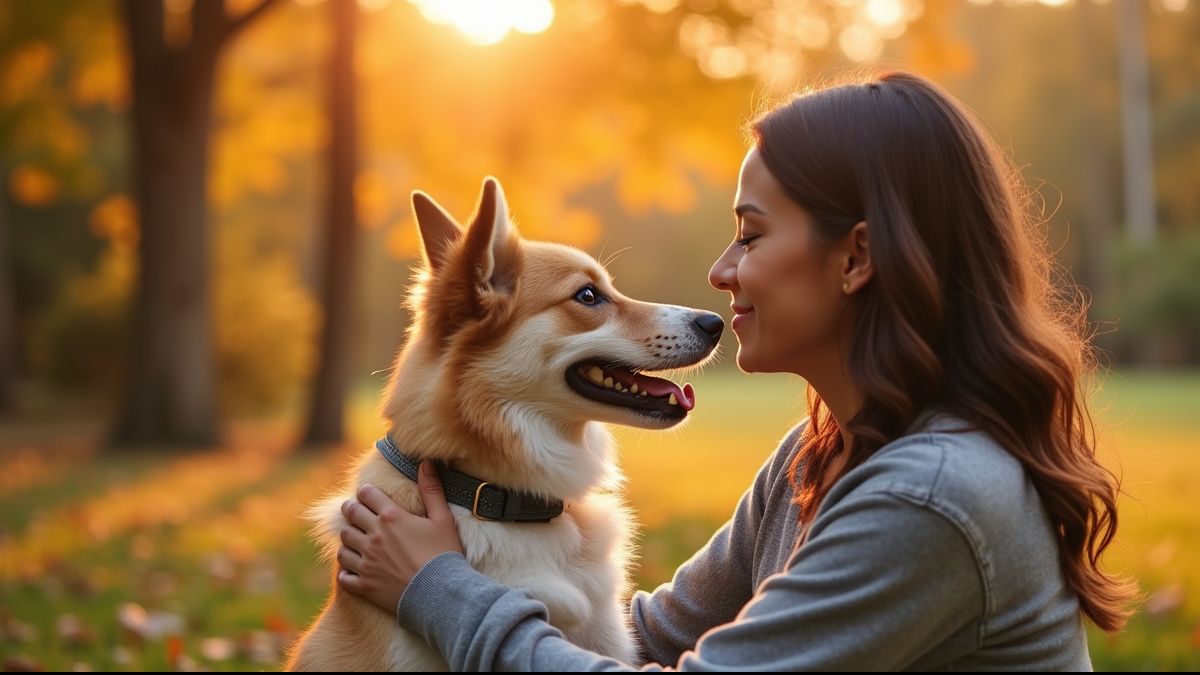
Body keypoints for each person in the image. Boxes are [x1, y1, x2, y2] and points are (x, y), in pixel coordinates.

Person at [332, 71, 1136, 670]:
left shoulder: (930, 497)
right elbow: (657, 638)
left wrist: (439, 587)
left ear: (856, 256)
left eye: (750, 236)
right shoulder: (817, 454)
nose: (721, 272)